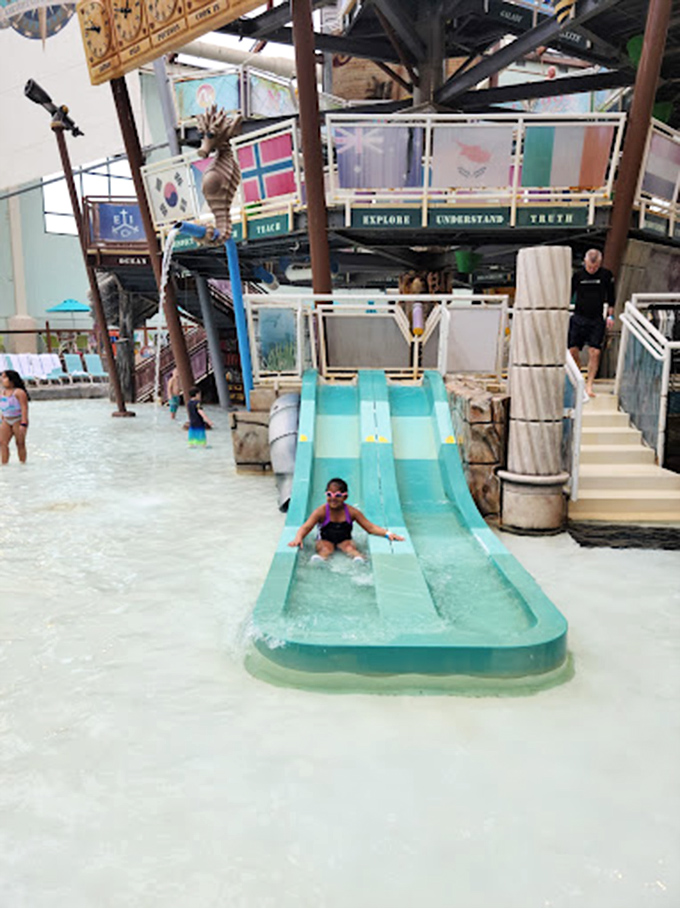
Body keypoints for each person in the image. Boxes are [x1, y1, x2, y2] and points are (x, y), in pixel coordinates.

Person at [288, 477, 404, 562]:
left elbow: (370, 527)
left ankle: (359, 561)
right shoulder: (321, 511)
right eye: (329, 494)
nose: (333, 499)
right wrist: (298, 538)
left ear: (345, 496)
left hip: (344, 540)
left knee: (351, 548)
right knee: (325, 549)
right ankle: (320, 561)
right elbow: (306, 527)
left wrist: (387, 533)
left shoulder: (352, 512)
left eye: (337, 495)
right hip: (325, 539)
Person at [568, 249, 615, 398]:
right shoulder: (578, 275)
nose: (592, 270)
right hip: (579, 316)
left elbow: (611, 298)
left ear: (599, 264)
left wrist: (611, 317)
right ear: (585, 262)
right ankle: (579, 377)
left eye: (595, 267)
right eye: (589, 267)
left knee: (595, 352)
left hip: (596, 318)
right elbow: (569, 293)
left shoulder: (606, 275)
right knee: (572, 351)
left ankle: (589, 385)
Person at [0, 369, 30, 465]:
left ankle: (22, 464)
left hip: (18, 420)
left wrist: (24, 423)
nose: (2, 379)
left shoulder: (19, 392)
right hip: (6, 420)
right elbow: (3, 406)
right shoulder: (2, 392)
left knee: (20, 443)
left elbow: (24, 408)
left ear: (11, 380)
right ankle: (4, 464)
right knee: (2, 443)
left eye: (4, 377)